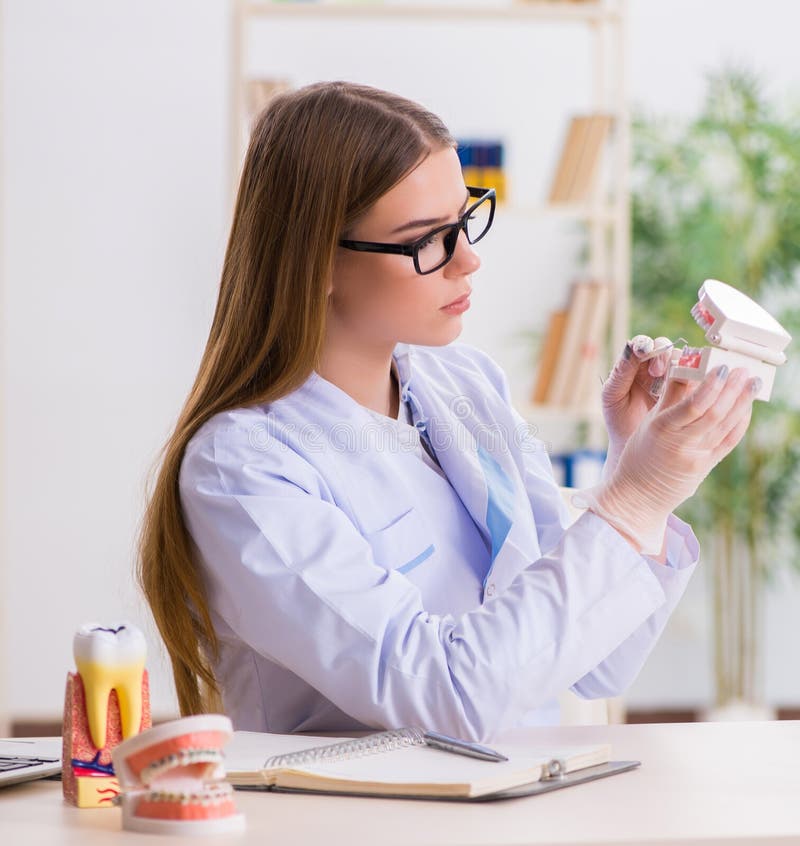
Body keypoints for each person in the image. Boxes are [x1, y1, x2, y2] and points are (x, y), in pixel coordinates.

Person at [139, 81, 758, 741]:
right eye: (426, 241)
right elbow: (445, 698)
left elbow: (600, 662)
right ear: (316, 259)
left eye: (464, 221)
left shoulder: (465, 383)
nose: (468, 259)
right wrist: (634, 503)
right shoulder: (241, 468)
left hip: (519, 793)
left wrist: (636, 479)